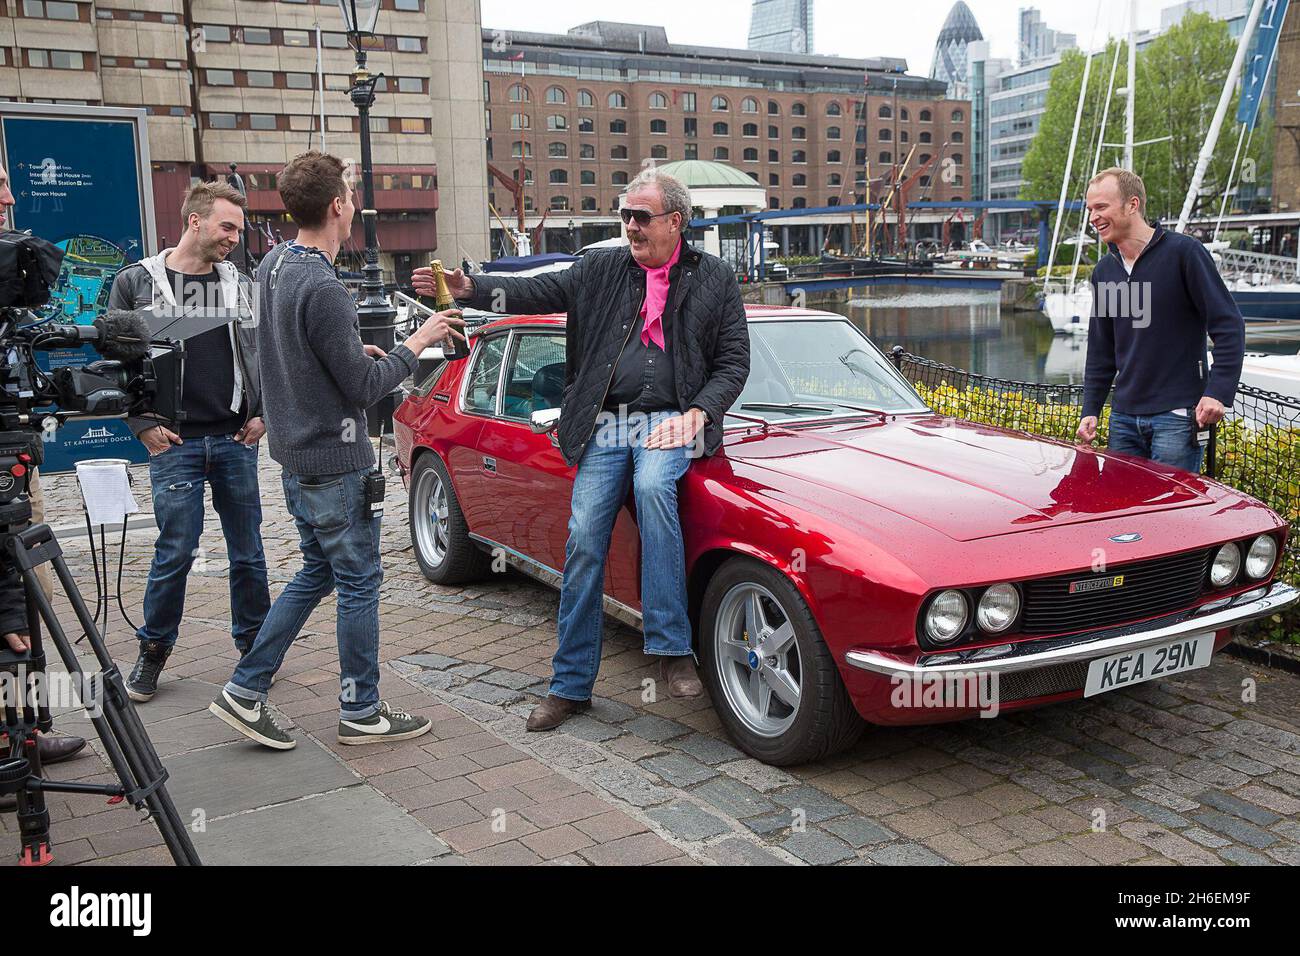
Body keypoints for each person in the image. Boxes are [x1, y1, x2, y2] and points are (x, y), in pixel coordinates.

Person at [414, 167, 750, 732]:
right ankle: (570, 686)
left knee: (652, 488)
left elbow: (734, 362)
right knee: (585, 537)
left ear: (676, 221)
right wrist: (471, 287)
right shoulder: (599, 267)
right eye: (625, 216)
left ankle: (670, 649)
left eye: (641, 217)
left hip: (672, 418)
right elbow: (534, 289)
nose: (630, 227)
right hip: (607, 421)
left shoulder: (714, 278)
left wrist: (699, 413)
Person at [209, 151, 464, 749]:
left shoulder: (274, 263)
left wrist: (356, 357)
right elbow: (365, 389)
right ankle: (360, 709)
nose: (353, 204)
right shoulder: (323, 284)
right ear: (337, 206)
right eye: (349, 194)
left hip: (297, 458)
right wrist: (415, 341)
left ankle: (245, 691)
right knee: (357, 581)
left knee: (317, 570)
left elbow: (294, 356)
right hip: (332, 460)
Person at [107, 181, 270, 702]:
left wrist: (263, 413)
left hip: (234, 439)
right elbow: (116, 361)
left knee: (249, 553)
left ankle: (255, 649)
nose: (233, 238)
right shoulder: (137, 282)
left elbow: (266, 351)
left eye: (238, 230)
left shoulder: (240, 285)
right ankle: (153, 652)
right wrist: (140, 423)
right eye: (227, 227)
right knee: (174, 552)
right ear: (195, 221)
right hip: (173, 443)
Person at [0, 162, 85, 772]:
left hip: (16, 463)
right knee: (11, 605)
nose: (8, 196)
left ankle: (28, 730)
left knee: (30, 602)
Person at [1076, 168, 1245, 471]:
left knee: (1173, 514)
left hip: (1178, 417)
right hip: (1123, 418)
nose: (1093, 217)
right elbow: (1101, 350)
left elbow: (1229, 325)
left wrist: (1217, 392)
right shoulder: (1104, 271)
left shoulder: (1185, 253)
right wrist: (1091, 409)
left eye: (1101, 207)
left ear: (1132, 205)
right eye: (1090, 209)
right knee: (1122, 511)